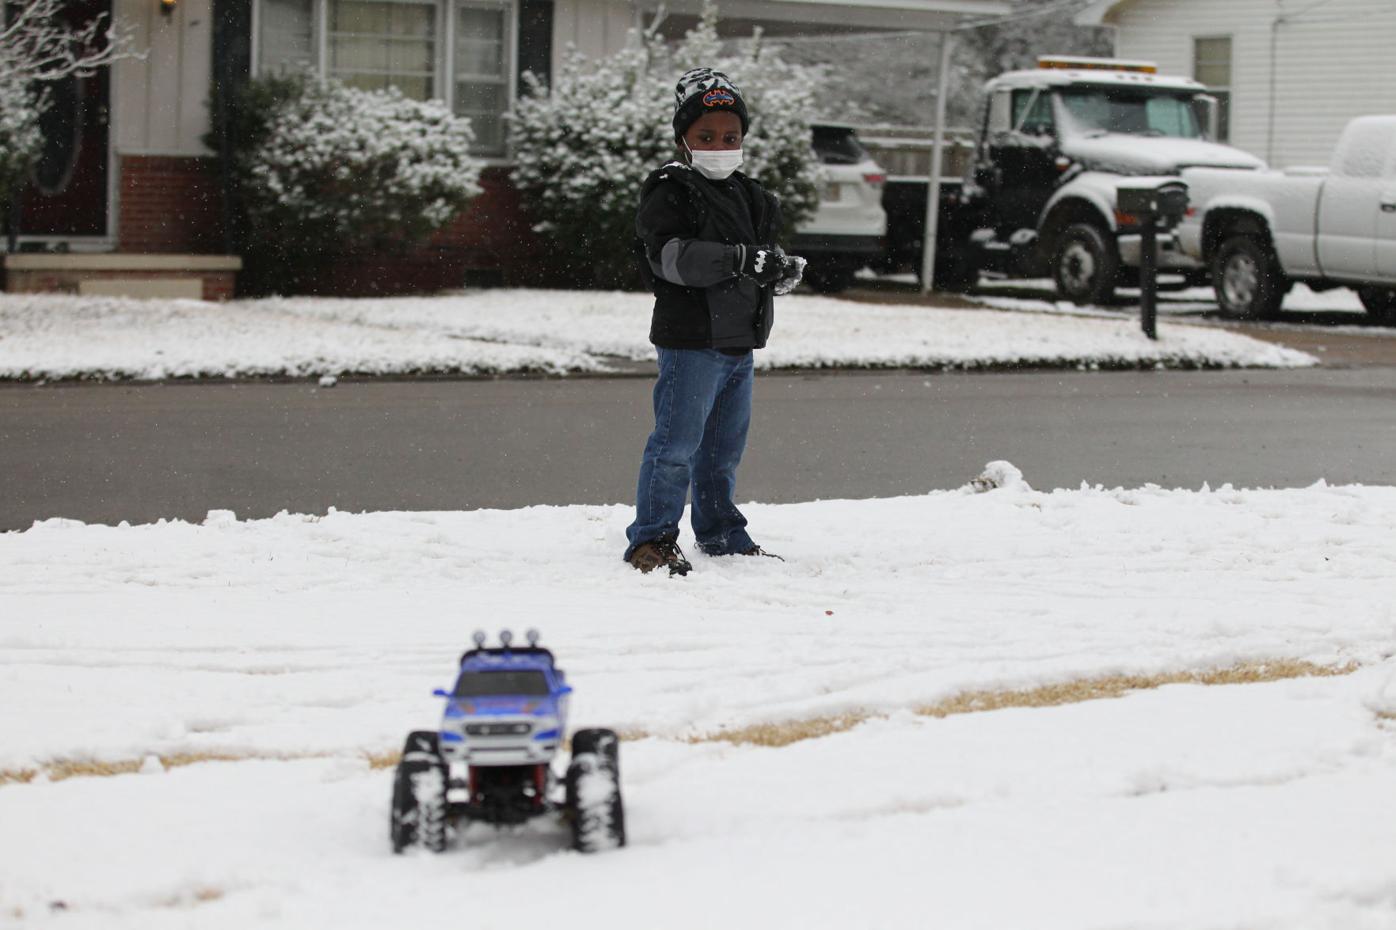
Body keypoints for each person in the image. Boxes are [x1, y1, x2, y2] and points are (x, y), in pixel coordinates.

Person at [623, 67, 804, 576]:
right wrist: (744, 260)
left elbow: (756, 256)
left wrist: (777, 270)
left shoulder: (752, 195)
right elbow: (674, 259)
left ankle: (721, 531)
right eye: (707, 136)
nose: (720, 145)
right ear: (684, 138)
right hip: (690, 342)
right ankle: (651, 539)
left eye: (731, 136)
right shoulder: (670, 189)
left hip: (737, 343)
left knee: (722, 451)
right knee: (676, 446)